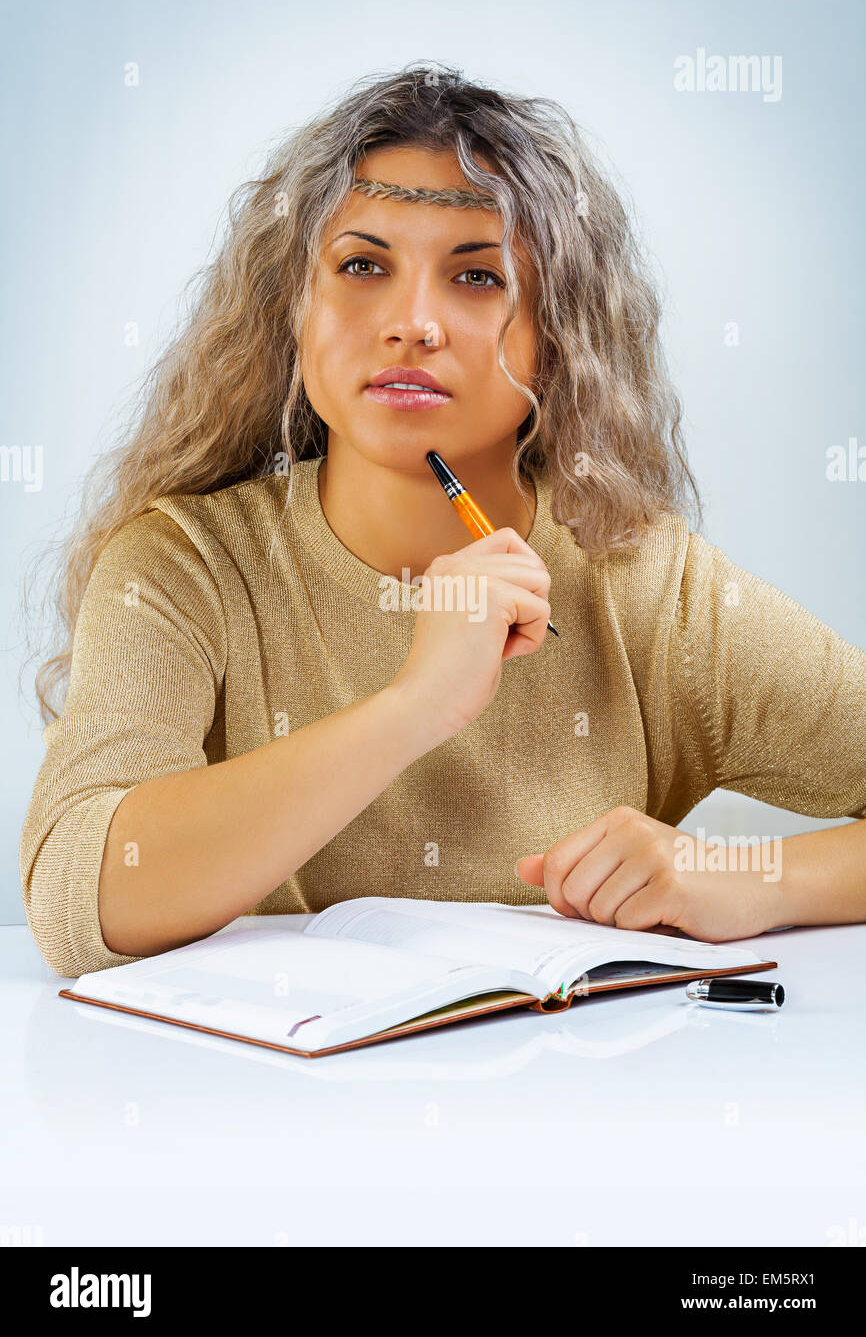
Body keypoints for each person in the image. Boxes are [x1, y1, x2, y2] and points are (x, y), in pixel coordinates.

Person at [19, 62, 866, 979]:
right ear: (292, 310)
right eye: (362, 266)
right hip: (267, 1077)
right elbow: (76, 897)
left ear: (559, 339)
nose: (413, 323)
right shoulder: (182, 565)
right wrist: (417, 704)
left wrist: (751, 876)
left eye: (476, 277)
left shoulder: (649, 585)